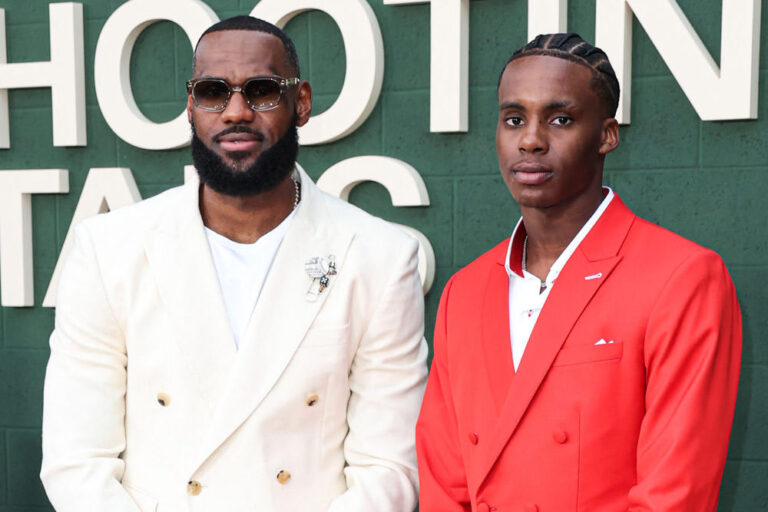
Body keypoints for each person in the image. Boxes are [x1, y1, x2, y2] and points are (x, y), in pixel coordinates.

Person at [41, 16, 427, 511]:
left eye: (263, 90)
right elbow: (77, 462)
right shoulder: (110, 248)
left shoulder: (379, 256)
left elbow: (389, 469)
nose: (236, 112)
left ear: (302, 102)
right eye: (213, 91)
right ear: (190, 106)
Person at [416, 33, 741, 511]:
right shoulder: (464, 291)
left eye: (560, 119)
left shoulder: (683, 278)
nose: (530, 139)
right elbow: (444, 480)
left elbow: (675, 495)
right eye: (513, 119)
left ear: (607, 135)